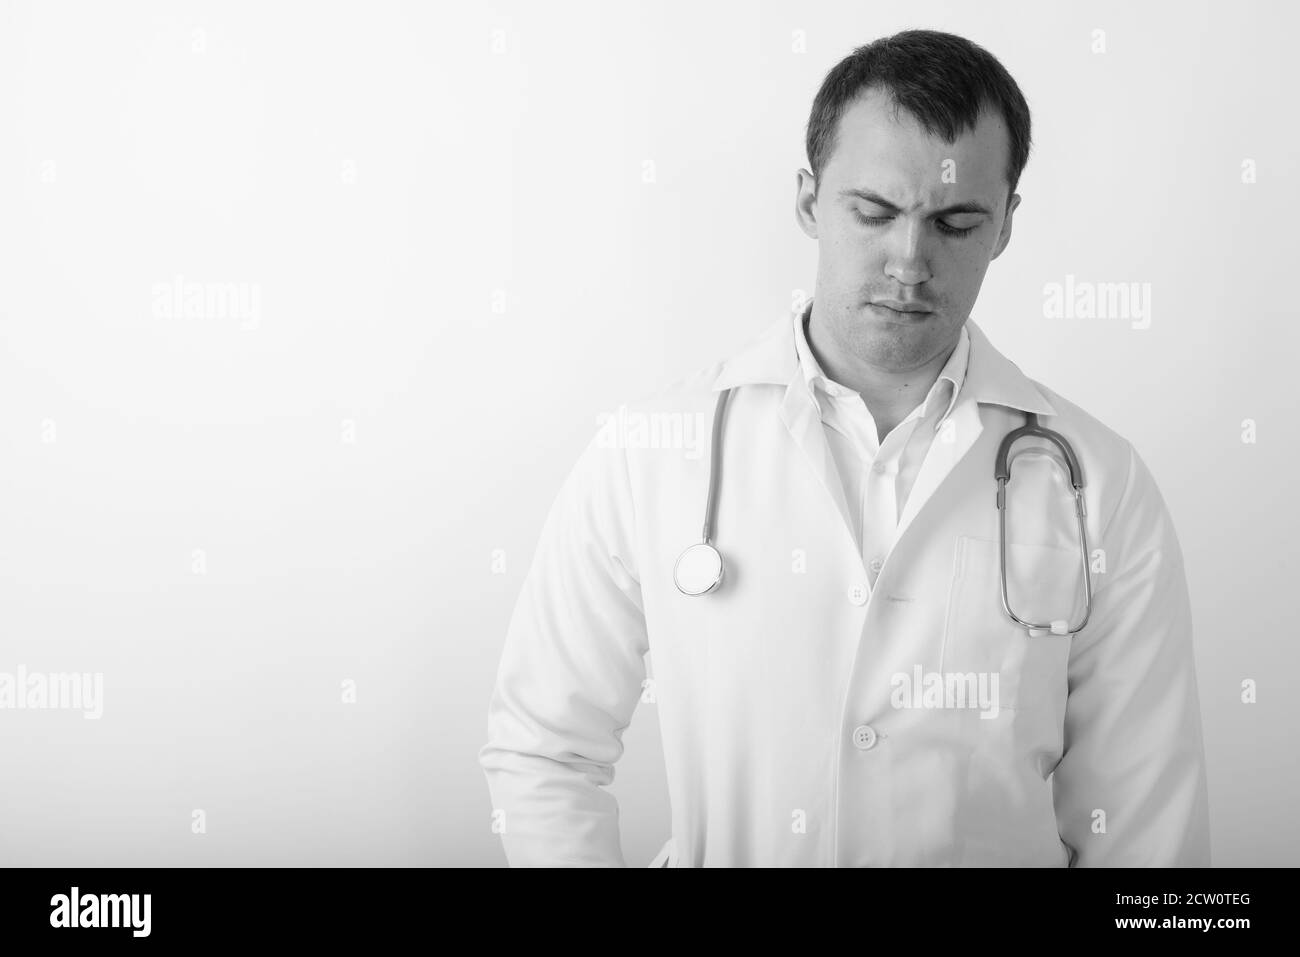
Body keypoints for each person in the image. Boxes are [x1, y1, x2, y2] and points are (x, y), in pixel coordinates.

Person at [477, 28, 1210, 867]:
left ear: (1006, 225)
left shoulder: (1100, 484)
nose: (910, 259)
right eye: (875, 211)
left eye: (956, 221)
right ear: (807, 200)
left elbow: (1147, 828)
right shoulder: (651, 450)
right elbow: (546, 747)